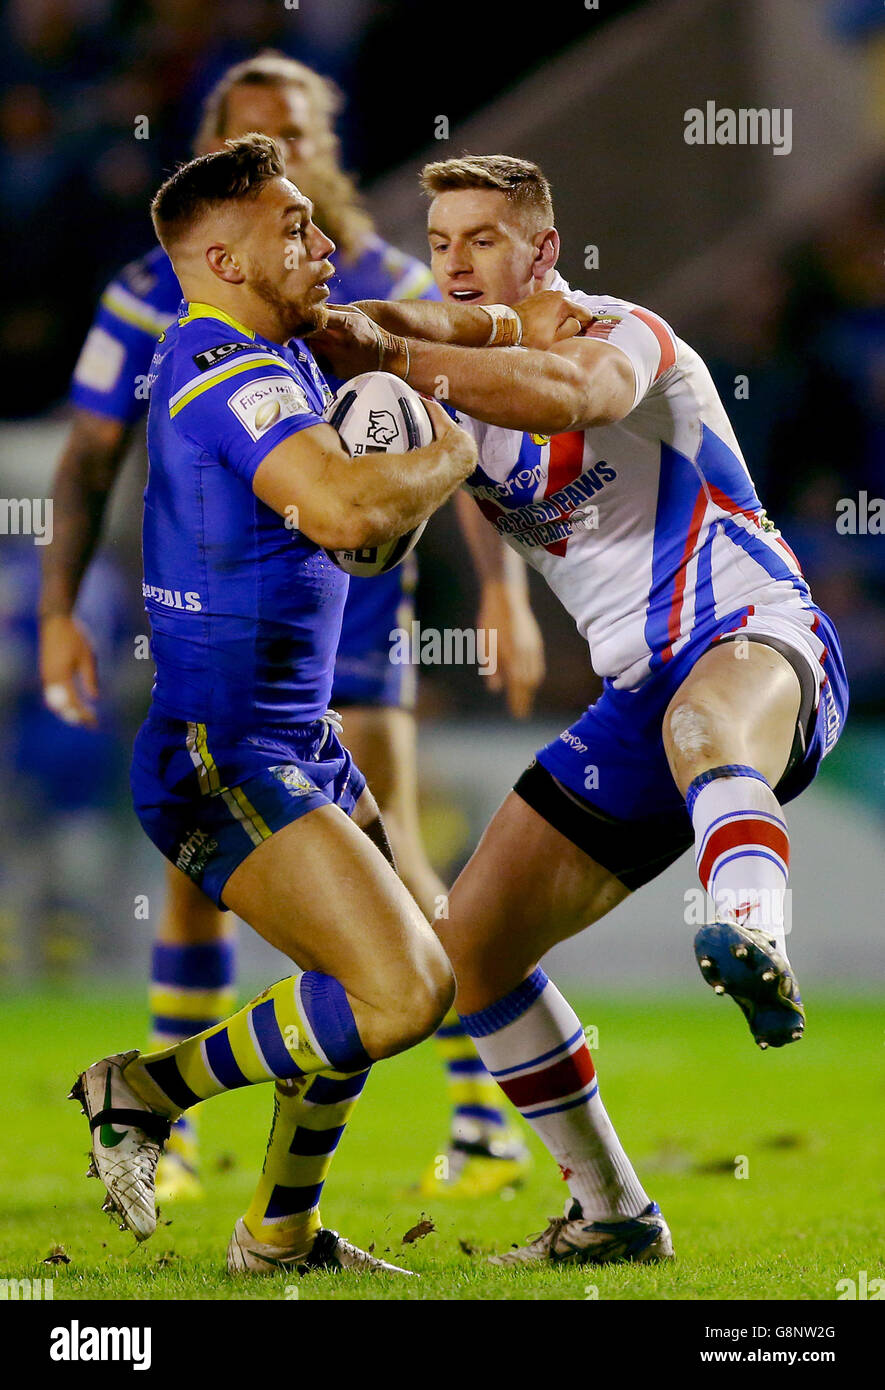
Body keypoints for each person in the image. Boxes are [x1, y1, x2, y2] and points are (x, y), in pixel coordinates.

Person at [309, 153, 849, 1265]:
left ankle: (751, 930)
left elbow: (571, 394)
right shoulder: (448, 373)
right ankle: (613, 1214)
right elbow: (405, 445)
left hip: (760, 636)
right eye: (442, 242)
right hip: (634, 697)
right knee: (470, 955)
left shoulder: (627, 334)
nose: (458, 264)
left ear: (543, 252)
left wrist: (395, 353)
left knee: (708, 730)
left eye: (485, 241)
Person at [42, 52, 537, 1205]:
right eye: (295, 229)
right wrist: (453, 443)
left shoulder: (272, 344)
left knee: (375, 975)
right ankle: (147, 1090)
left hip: (295, 735)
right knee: (401, 991)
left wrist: (489, 335)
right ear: (225, 262)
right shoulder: (222, 367)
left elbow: (369, 423)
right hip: (221, 756)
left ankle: (281, 1229)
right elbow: (354, 510)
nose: (321, 245)